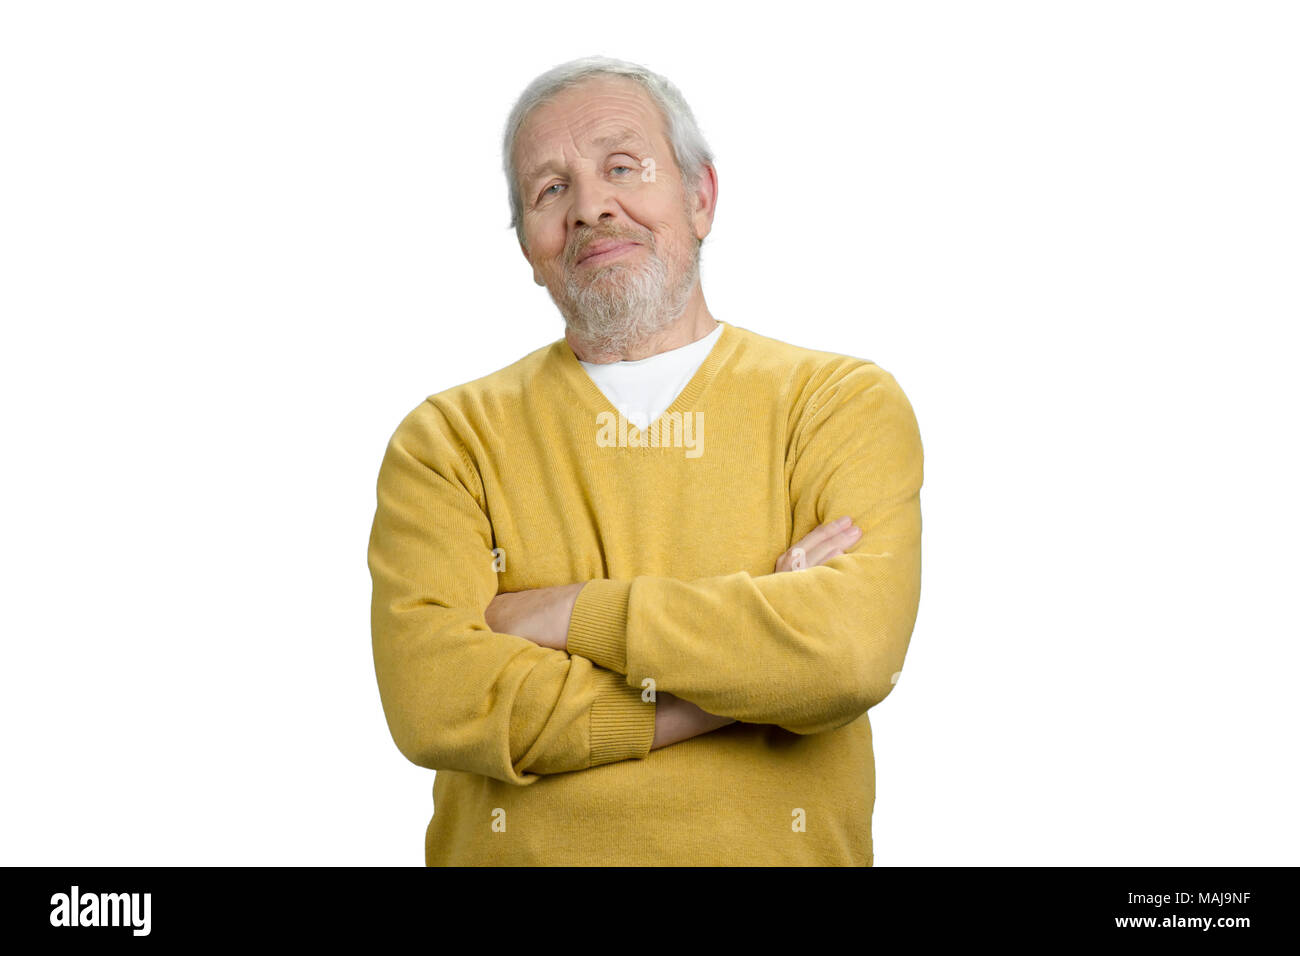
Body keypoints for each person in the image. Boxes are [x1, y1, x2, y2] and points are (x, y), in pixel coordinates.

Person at [366, 55, 924, 866]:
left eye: (623, 167)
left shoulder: (839, 403)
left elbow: (845, 656)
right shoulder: (447, 441)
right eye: (550, 189)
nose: (592, 206)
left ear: (700, 199)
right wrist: (745, 687)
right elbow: (434, 700)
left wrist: (565, 614)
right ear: (529, 247)